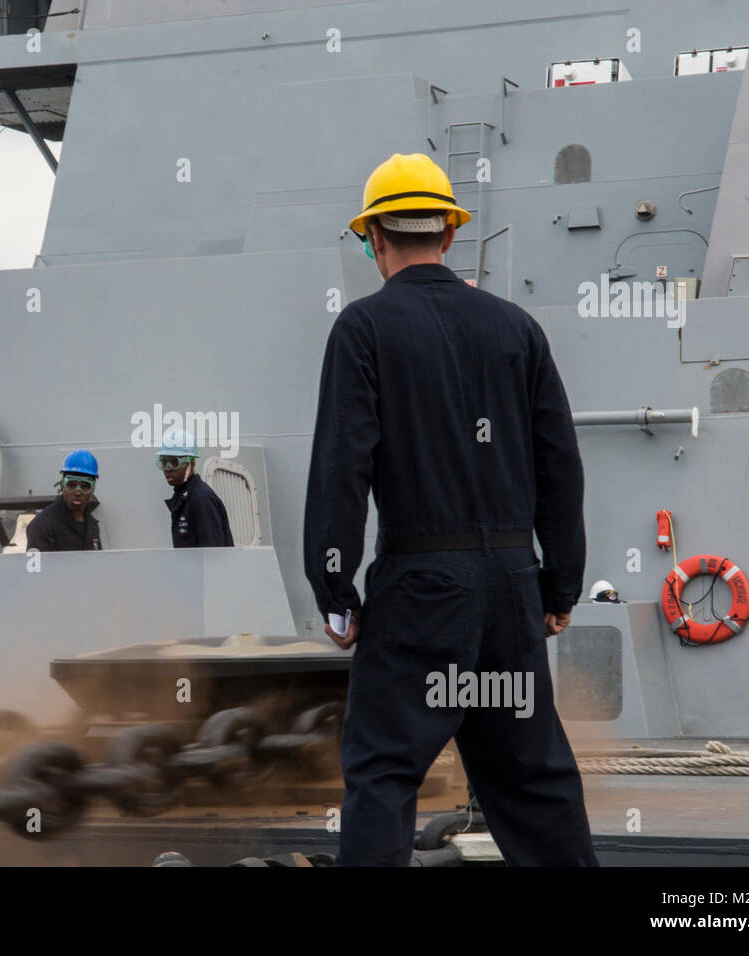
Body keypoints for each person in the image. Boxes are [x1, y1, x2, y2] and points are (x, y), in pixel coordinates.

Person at [303, 152, 597, 866]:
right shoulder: (516, 329)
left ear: (375, 238)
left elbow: (345, 469)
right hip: (509, 589)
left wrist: (335, 590)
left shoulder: (364, 330)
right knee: (531, 780)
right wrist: (558, 585)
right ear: (450, 234)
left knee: (383, 771)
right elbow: (559, 464)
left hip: (420, 591)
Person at [157, 429, 233, 548]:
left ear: (191, 464)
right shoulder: (184, 498)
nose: (168, 468)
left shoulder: (202, 499)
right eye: (163, 462)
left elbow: (214, 553)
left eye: (174, 462)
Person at [26, 449, 103, 552]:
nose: (78, 492)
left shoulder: (92, 525)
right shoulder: (42, 525)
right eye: (71, 485)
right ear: (62, 486)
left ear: (92, 490)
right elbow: (38, 567)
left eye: (85, 487)